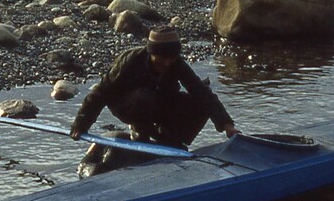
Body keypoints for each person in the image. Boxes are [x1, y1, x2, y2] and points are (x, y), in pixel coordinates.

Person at [70, 25, 238, 149]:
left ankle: (171, 140)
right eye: (161, 59)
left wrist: (226, 124)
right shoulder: (130, 61)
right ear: (151, 53)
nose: (167, 63)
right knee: (144, 96)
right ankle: (140, 132)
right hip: (127, 105)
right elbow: (100, 93)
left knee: (200, 103)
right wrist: (80, 125)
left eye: (171, 59)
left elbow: (201, 92)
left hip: (158, 100)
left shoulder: (176, 63)